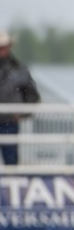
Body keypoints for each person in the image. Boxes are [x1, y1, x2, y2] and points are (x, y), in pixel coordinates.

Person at [0, 30, 41, 166]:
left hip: (10, 122)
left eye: (3, 47)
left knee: (11, 160)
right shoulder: (19, 69)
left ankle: (11, 184)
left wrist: (23, 113)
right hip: (9, 121)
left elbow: (32, 95)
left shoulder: (20, 69)